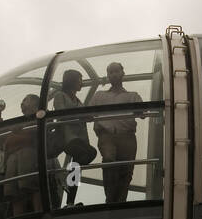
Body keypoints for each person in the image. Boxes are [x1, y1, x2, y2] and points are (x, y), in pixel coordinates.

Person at [89, 62, 142, 204]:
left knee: (126, 172)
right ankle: (111, 200)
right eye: (110, 72)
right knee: (109, 161)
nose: (113, 74)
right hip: (107, 135)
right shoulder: (99, 96)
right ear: (107, 76)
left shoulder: (133, 96)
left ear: (122, 73)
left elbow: (142, 112)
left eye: (116, 71)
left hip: (127, 136)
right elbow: (87, 114)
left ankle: (120, 202)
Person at [50, 70, 96, 206]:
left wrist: (86, 116)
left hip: (79, 138)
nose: (82, 82)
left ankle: (70, 201)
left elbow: (80, 116)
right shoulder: (60, 96)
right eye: (80, 79)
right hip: (67, 138)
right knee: (85, 158)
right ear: (72, 80)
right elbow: (61, 114)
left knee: (77, 167)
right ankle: (66, 179)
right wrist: (81, 116)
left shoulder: (78, 101)